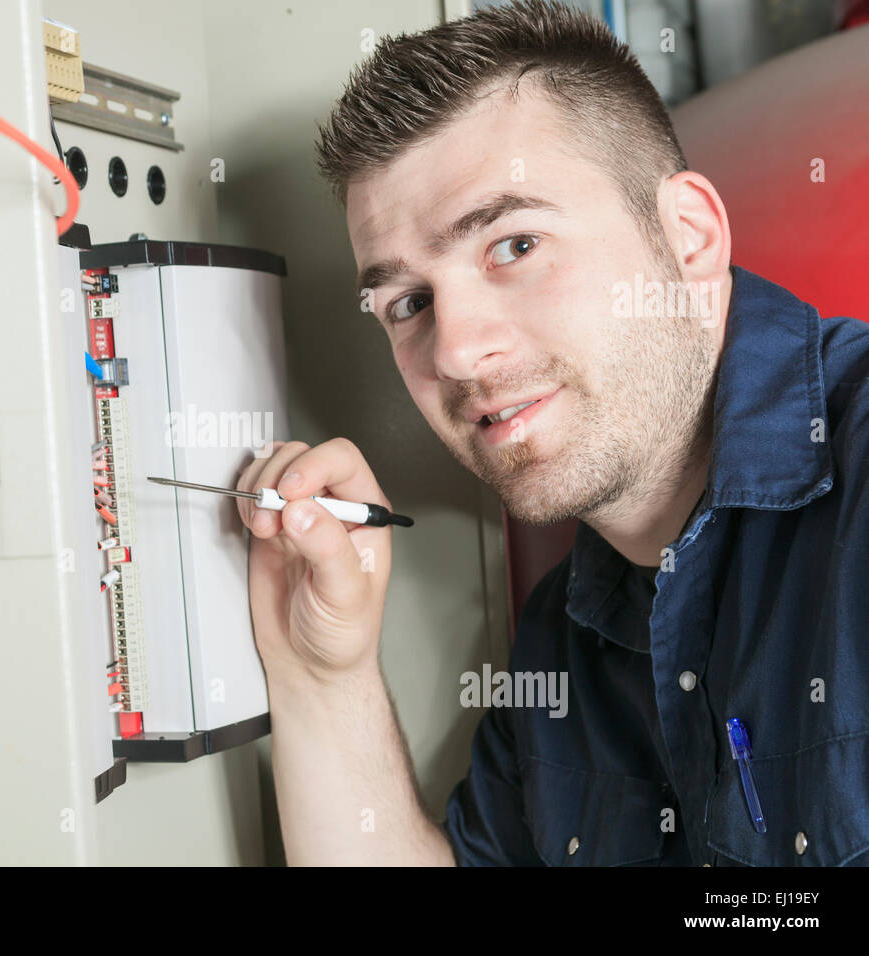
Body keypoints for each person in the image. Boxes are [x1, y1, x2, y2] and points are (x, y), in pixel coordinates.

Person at [237, 0, 869, 865]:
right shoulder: (564, 642)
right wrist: (320, 672)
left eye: (515, 244)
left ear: (687, 238)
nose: (456, 351)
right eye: (408, 304)